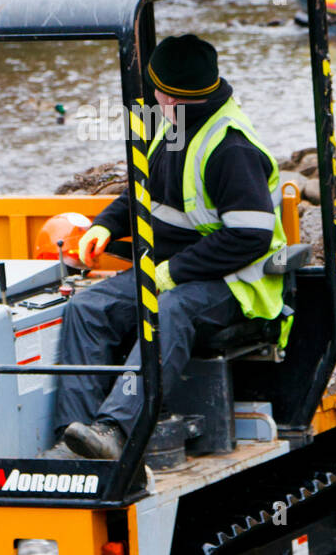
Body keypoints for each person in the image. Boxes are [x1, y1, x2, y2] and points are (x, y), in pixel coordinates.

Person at [42, 34, 287, 462]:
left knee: (170, 308)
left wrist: (171, 272)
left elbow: (250, 237)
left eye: (161, 92)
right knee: (88, 308)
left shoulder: (231, 147)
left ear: (180, 96)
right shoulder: (173, 127)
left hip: (234, 285)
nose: (154, 97)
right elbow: (140, 190)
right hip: (174, 271)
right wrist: (104, 226)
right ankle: (74, 441)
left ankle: (116, 430)